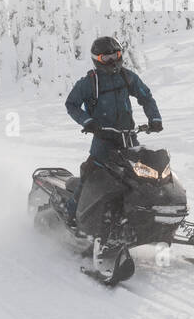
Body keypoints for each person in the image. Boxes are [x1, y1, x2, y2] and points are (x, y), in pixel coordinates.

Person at [63, 36, 162, 224]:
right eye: (106, 58)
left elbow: (146, 97)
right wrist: (88, 122)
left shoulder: (126, 76)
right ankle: (71, 214)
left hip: (129, 138)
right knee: (90, 174)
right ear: (97, 60)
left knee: (144, 175)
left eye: (115, 55)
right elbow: (71, 104)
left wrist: (154, 119)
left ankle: (145, 219)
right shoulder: (90, 82)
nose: (112, 61)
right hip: (103, 139)